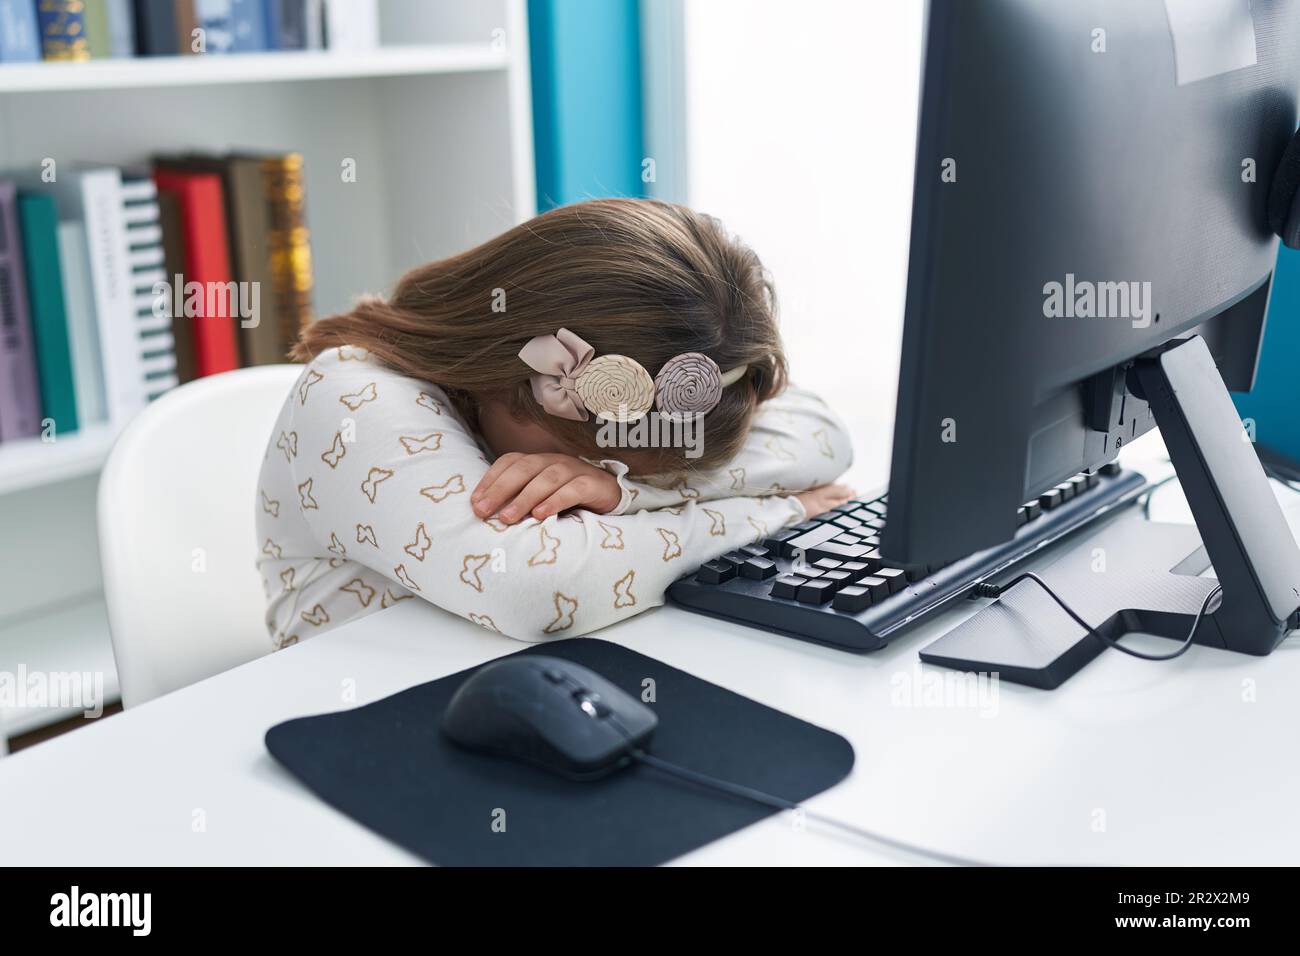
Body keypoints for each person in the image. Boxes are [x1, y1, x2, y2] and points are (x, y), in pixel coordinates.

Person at [255, 199, 853, 646]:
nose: (589, 485)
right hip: (364, 721)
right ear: (509, 379)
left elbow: (822, 435)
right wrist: (785, 512)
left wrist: (625, 492)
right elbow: (537, 589)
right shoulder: (353, 397)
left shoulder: (688, 371)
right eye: (598, 459)